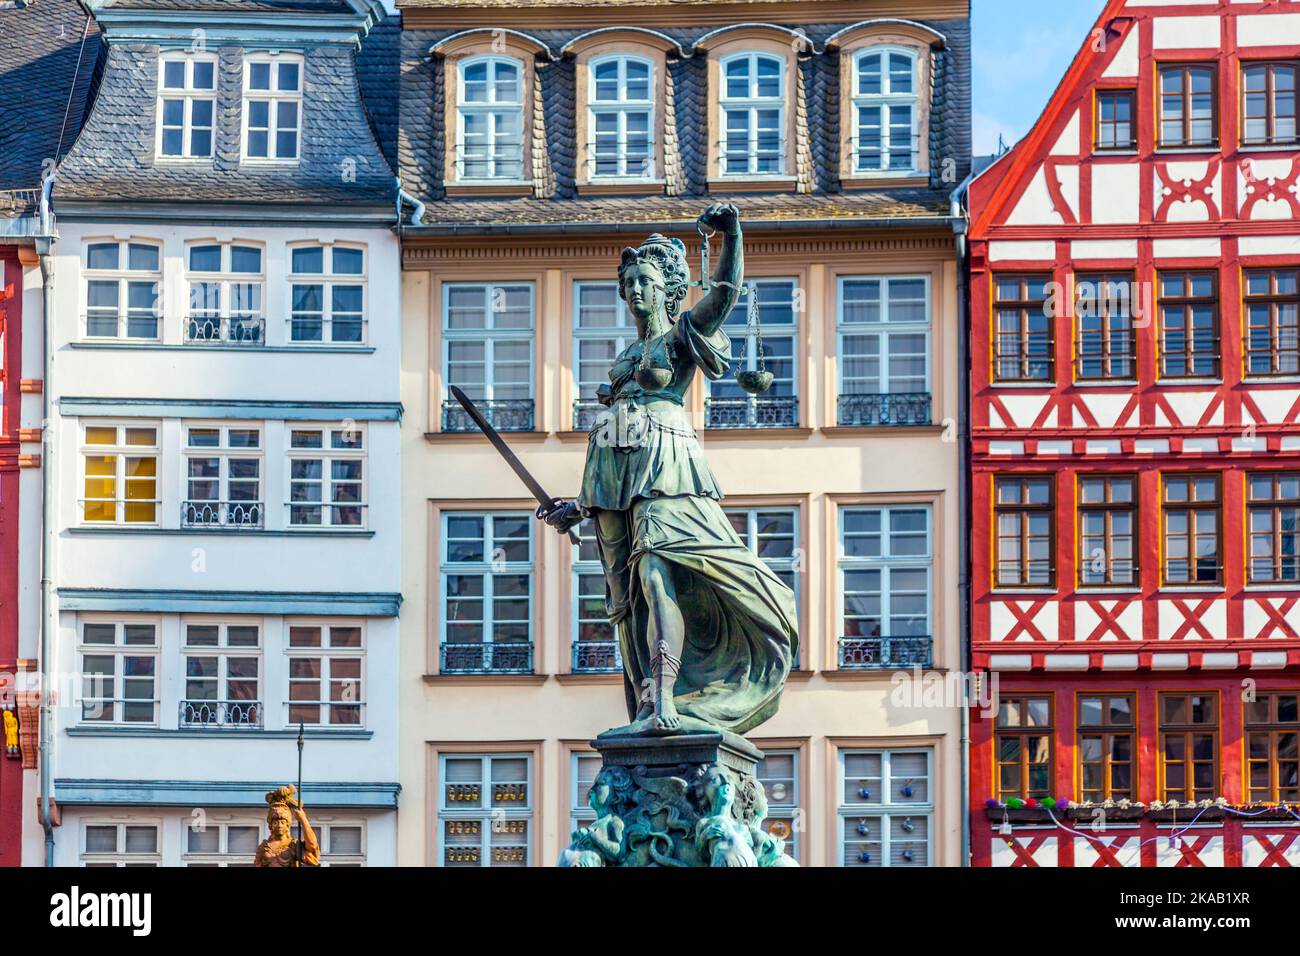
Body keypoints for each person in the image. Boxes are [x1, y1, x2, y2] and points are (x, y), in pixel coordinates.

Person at [541, 202, 797, 736]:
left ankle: (666, 698)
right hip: (612, 473)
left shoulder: (679, 338)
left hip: (666, 465)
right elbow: (613, 432)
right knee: (627, 601)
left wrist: (730, 233)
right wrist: (578, 507)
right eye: (629, 281)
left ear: (668, 289)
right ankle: (644, 702)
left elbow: (724, 295)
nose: (635, 290)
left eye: (646, 282)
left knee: (659, 575)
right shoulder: (625, 356)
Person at [253, 785, 320, 867]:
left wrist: (303, 820)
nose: (279, 825)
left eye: (282, 822)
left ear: (287, 824)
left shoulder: (294, 844)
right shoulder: (264, 846)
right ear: (270, 825)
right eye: (275, 822)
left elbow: (312, 846)